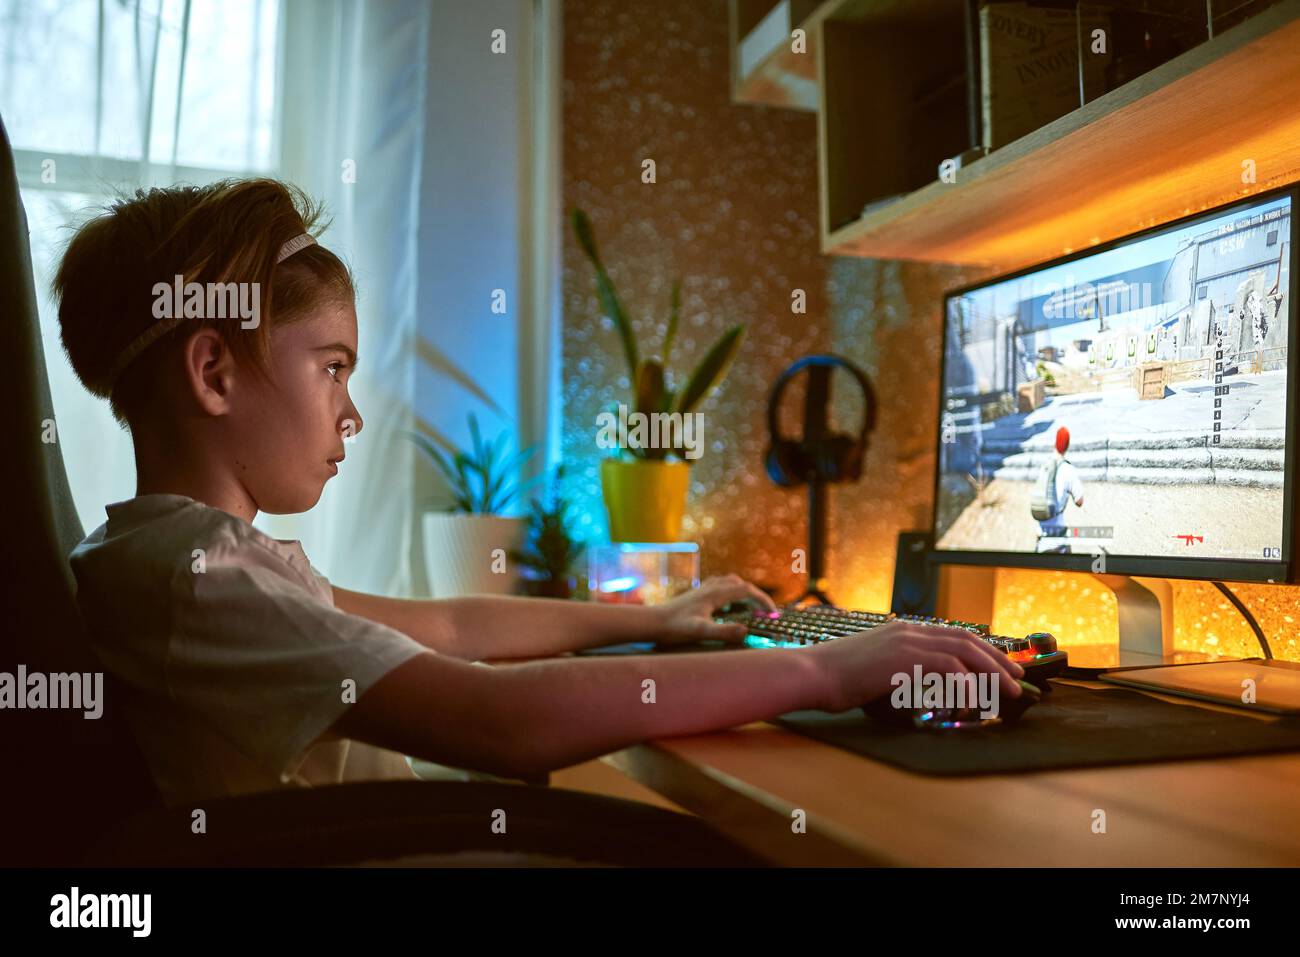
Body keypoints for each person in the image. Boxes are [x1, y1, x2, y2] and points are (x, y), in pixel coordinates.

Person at [58, 179, 1024, 807]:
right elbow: (497, 720)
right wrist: (830, 671)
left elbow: (443, 627)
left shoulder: (188, 562)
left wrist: (657, 619)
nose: (350, 413)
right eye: (333, 367)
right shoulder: (197, 578)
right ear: (214, 372)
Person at [1033, 426, 1085, 553]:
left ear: (1054, 444)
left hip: (1041, 541)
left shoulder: (1044, 467)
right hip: (1058, 543)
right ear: (1067, 446)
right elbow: (1079, 501)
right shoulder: (1068, 470)